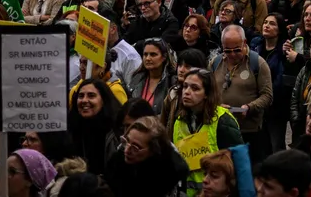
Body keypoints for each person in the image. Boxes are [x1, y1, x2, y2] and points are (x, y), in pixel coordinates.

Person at [170, 68, 243, 196]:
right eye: (185, 86)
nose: (187, 92)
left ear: (207, 94)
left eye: (195, 88)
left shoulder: (223, 122)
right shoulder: (179, 121)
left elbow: (239, 167)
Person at [211, 25, 274, 162]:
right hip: (221, 129)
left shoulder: (257, 63)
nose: (232, 54)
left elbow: (267, 96)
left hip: (249, 131)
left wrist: (250, 107)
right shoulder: (215, 63)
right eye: (227, 51)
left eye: (237, 50)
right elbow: (207, 92)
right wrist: (216, 106)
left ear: (244, 43)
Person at [104, 116, 190, 197]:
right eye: (127, 141)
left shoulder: (166, 179)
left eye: (136, 147)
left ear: (153, 151)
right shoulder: (116, 165)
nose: (127, 150)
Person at [68, 78, 124, 174]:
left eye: (91, 96)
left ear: (103, 100)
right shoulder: (70, 129)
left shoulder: (116, 131)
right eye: (81, 96)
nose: (84, 100)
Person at [129, 38, 174, 115]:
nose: (148, 58)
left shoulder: (172, 81)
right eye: (145, 54)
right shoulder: (136, 79)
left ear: (164, 57)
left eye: (153, 54)